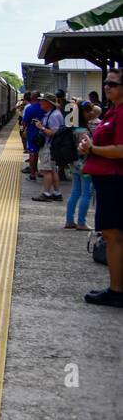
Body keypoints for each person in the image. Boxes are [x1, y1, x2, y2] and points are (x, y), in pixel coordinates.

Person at [82, 68, 123, 307]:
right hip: (108, 180)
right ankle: (116, 288)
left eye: (113, 84)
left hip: (115, 181)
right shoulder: (112, 111)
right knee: (112, 235)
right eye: (106, 83)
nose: (107, 87)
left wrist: (92, 149)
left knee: (113, 236)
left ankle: (117, 291)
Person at [65, 102, 96, 230]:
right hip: (85, 165)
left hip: (74, 164)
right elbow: (86, 149)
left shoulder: (73, 127)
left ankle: (69, 220)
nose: (92, 114)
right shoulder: (83, 131)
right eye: (88, 111)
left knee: (75, 192)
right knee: (86, 194)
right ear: (82, 113)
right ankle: (81, 222)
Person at [32, 94, 64, 201]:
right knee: (53, 170)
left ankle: (46, 193)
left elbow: (53, 133)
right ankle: (57, 193)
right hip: (52, 146)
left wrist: (41, 127)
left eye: (43, 101)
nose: (40, 103)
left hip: (49, 146)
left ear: (48, 103)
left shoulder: (54, 116)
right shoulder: (54, 114)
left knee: (47, 171)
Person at [22, 91, 44, 182]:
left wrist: (24, 130)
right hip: (43, 133)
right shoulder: (44, 108)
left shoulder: (29, 108)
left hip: (32, 134)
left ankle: (32, 174)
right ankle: (39, 171)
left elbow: (24, 122)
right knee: (40, 153)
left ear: (32, 97)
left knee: (32, 154)